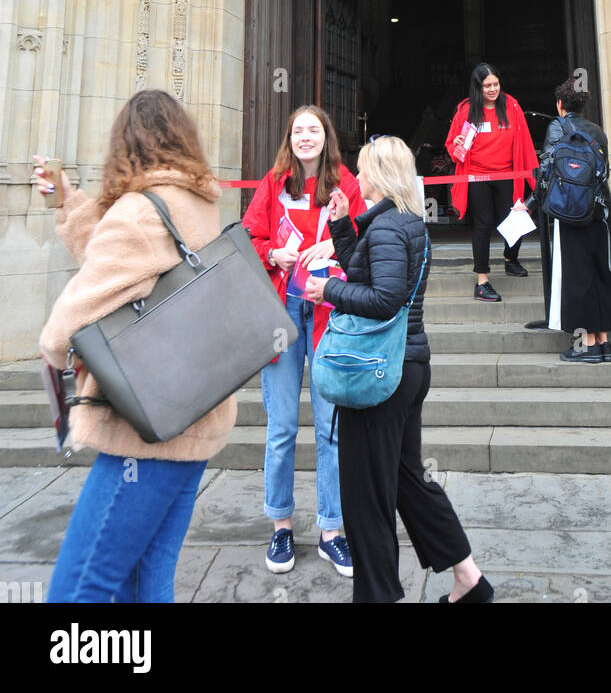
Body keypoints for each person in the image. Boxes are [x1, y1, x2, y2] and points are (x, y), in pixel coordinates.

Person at [35, 89, 236, 602]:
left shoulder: (138, 214)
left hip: (143, 432)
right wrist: (70, 203)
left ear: (125, 143)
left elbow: (64, 327)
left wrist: (56, 359)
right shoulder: (195, 200)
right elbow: (125, 272)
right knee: (146, 580)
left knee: (78, 588)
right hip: (195, 414)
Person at [305, 135, 492, 604]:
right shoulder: (401, 223)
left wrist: (325, 291)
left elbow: (383, 299)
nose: (358, 175)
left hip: (380, 374)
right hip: (406, 368)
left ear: (379, 174)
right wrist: (343, 226)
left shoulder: (388, 229)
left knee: (366, 498)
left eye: (364, 168)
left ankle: (378, 597)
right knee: (409, 480)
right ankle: (469, 578)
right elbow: (363, 270)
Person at [243, 104, 365, 576]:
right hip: (282, 313)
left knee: (331, 426)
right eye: (298, 131)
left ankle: (332, 531)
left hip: (328, 311)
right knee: (282, 427)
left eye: (313, 130)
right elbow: (250, 239)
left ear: (326, 137)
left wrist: (333, 242)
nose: (305, 137)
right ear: (290, 139)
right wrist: (277, 252)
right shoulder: (274, 183)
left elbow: (361, 237)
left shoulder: (345, 183)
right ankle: (281, 526)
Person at [526, 76, 611, 362]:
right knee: (601, 272)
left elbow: (547, 172)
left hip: (571, 211)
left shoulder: (558, 126)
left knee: (578, 277)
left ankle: (586, 345)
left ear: (560, 104)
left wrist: (530, 204)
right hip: (599, 210)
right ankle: (603, 342)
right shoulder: (597, 131)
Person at [445, 63, 538, 301]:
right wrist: (456, 144)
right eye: (487, 85)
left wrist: (534, 177)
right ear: (478, 87)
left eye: (495, 84)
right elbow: (453, 147)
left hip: (508, 174)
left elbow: (525, 141)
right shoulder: (465, 110)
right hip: (477, 176)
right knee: (483, 225)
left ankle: (510, 258)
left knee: (514, 219)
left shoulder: (512, 105)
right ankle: (482, 281)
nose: (492, 89)